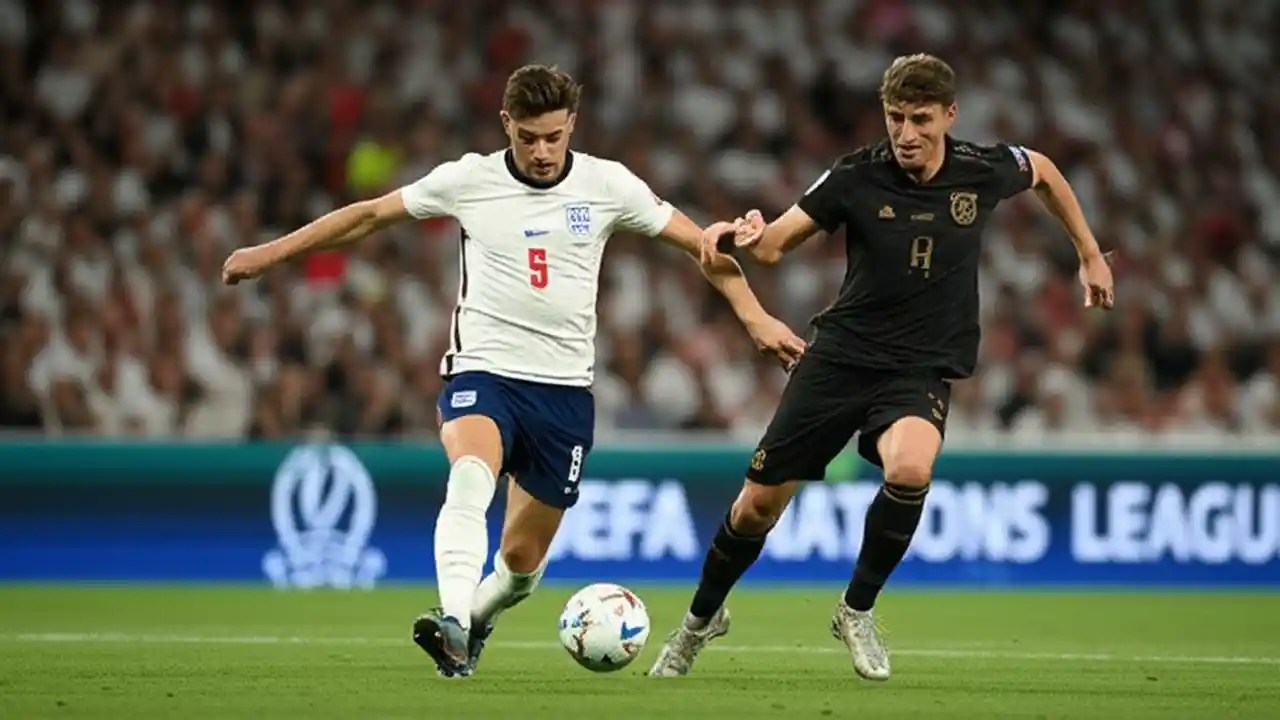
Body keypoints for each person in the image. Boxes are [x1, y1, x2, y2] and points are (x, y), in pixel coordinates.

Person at [222, 64, 805, 677]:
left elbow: (705, 249)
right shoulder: (468, 179)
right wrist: (269, 253)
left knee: (522, 566)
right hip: (484, 370)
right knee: (471, 475)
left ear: (572, 125)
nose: (543, 150)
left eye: (554, 136)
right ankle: (451, 620)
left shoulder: (609, 186)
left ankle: (474, 620)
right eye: (529, 137)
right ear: (507, 125)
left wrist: (756, 318)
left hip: (564, 395)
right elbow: (368, 215)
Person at [649, 53, 1115, 682]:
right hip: (840, 358)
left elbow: (1047, 171)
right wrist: (745, 233)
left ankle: (856, 610)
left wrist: (1089, 253)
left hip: (918, 367)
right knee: (757, 506)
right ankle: (698, 624)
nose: (906, 133)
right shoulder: (855, 177)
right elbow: (776, 247)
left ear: (950, 116)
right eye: (895, 118)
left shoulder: (982, 169)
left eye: (921, 119)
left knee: (912, 467)